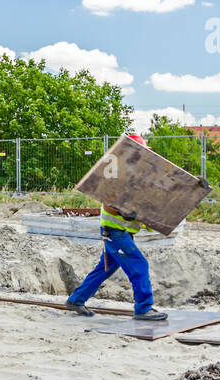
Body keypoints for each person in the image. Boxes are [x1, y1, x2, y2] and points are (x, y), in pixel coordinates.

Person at [65, 134, 168, 321]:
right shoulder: (117, 174)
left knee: (104, 269)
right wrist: (125, 213)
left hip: (120, 232)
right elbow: (107, 203)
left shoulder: (133, 176)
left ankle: (76, 300)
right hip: (115, 232)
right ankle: (144, 308)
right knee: (139, 265)